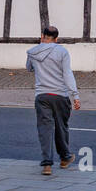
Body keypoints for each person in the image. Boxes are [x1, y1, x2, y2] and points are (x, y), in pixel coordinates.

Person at [26, 25, 81, 176]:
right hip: (60, 96)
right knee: (61, 127)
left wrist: (39, 47)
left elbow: (29, 68)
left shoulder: (32, 52)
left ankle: (47, 165)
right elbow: (67, 74)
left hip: (42, 95)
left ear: (42, 36)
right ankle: (65, 158)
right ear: (56, 39)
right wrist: (75, 95)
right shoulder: (62, 51)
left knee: (45, 130)